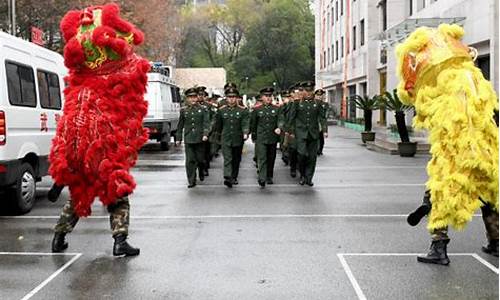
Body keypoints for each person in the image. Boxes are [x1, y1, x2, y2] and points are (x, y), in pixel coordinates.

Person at [50, 3, 149, 256]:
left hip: (80, 153)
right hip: (105, 150)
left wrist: (63, 170)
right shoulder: (110, 83)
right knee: (117, 193)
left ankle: (59, 236)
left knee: (79, 193)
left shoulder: (77, 91)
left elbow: (65, 132)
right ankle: (119, 241)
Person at [395, 24, 498, 265]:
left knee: (442, 191)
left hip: (455, 147)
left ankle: (438, 247)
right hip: (485, 146)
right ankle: (495, 241)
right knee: (488, 190)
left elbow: (427, 110)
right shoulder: (475, 77)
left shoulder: (444, 82)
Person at [288, 81, 328, 186]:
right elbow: (292, 118)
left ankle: (309, 177)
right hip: (300, 133)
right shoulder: (297, 103)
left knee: (312, 157)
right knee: (301, 154)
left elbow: (322, 117)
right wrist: (291, 131)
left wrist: (324, 130)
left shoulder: (318, 103)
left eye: (311, 90)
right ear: (303, 91)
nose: (309, 93)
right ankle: (302, 175)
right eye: (307, 90)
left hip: (313, 133)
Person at [214, 87, 250, 188]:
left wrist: (245, 132)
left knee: (236, 159)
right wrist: (217, 135)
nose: (231, 99)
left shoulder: (243, 110)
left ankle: (234, 176)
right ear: (226, 98)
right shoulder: (221, 110)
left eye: (233, 97)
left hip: (237, 137)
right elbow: (218, 125)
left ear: (237, 98)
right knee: (228, 158)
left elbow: (245, 122)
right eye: (229, 97)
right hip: (226, 137)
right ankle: (227, 176)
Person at [175, 88, 210, 188]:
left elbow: (206, 123)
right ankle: (191, 180)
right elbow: (180, 125)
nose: (193, 99)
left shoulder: (203, 109)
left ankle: (201, 170)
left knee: (200, 159)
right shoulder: (184, 110)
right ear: (187, 99)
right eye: (190, 97)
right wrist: (178, 138)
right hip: (189, 138)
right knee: (190, 160)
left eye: (194, 97)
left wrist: (205, 134)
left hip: (200, 138)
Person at [250, 87, 283, 187]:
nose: (268, 98)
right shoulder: (256, 109)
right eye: (266, 96)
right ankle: (262, 177)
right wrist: (253, 136)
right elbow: (254, 124)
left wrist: (279, 127)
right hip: (261, 137)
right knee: (262, 157)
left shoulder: (277, 109)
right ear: (262, 97)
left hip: (272, 137)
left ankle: (269, 175)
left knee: (271, 157)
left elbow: (281, 120)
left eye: (270, 96)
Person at [315, 89, 329, 156]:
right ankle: (316, 150)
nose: (319, 96)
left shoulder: (325, 104)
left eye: (321, 95)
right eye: (318, 95)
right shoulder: (312, 103)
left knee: (321, 140)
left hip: (321, 124)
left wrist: (325, 130)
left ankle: (319, 150)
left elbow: (324, 118)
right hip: (314, 124)